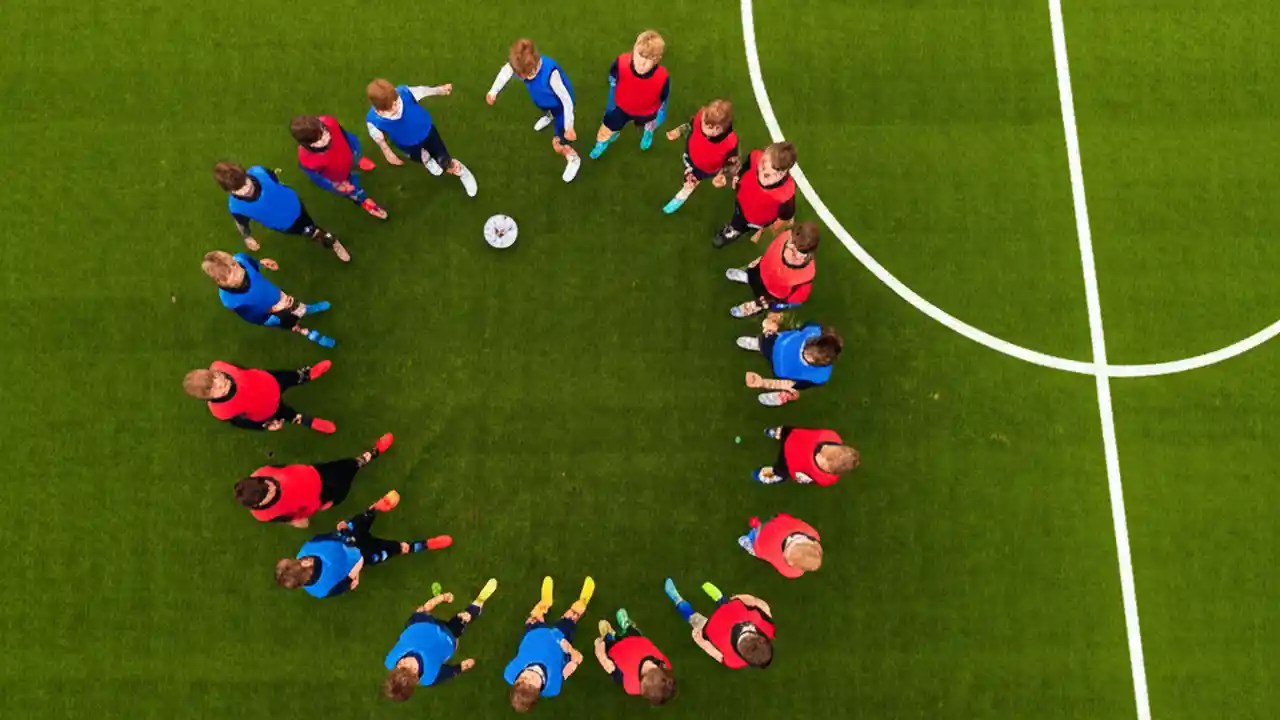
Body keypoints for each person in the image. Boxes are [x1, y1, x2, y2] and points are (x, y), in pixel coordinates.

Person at [274, 492, 452, 599]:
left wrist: (354, 576)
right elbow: (327, 537)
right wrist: (341, 528)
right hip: (352, 541)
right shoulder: (307, 549)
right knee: (362, 522)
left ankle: (417, 545)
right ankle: (375, 510)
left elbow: (349, 584)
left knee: (391, 548)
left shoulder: (320, 590)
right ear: (299, 562)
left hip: (360, 554)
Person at [234, 433, 395, 528]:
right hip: (324, 494)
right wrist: (322, 506)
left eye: (267, 484)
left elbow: (283, 467)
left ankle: (368, 456)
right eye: (269, 492)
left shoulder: (262, 473)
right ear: (258, 503)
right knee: (344, 485)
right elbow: (296, 519)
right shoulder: (266, 515)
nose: (273, 487)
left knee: (347, 464)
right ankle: (362, 461)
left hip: (316, 471)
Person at [382, 578, 500, 701]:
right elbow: (446, 673)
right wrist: (461, 667)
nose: (405, 662)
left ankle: (443, 600)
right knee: (462, 618)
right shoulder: (429, 676)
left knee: (421, 612)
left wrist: (439, 599)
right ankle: (476, 606)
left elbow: (420, 613)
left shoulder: (393, 657)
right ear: (417, 678)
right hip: (446, 638)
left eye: (401, 665)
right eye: (413, 669)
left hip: (426, 628)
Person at [213, 162, 350, 262]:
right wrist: (247, 237)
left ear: (246, 175)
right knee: (309, 231)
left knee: (309, 225)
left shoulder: (259, 172)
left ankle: (328, 240)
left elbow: (273, 177)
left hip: (295, 204)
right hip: (284, 225)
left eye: (245, 183)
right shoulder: (236, 206)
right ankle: (329, 240)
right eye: (239, 190)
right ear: (229, 191)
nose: (246, 190)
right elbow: (242, 223)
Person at [486, 39, 581, 183]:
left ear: (531, 67)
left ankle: (572, 157)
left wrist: (569, 126)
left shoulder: (550, 73)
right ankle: (549, 116)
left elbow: (566, 101)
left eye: (520, 74)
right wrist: (493, 91)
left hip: (560, 106)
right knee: (545, 107)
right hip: (544, 100)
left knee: (558, 141)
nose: (517, 76)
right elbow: (506, 71)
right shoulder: (521, 64)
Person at [365, 78, 478, 197]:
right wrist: (387, 152)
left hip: (428, 132)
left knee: (442, 156)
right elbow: (378, 138)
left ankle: (458, 169)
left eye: (396, 102)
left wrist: (440, 90)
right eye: (390, 107)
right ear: (378, 109)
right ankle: (428, 161)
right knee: (419, 157)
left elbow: (423, 91)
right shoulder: (373, 120)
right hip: (407, 144)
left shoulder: (405, 93)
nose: (396, 108)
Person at [201, 251, 336, 347]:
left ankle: (308, 309)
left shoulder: (241, 259)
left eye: (234, 264)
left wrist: (262, 263)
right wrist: (274, 310)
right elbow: (253, 317)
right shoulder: (230, 301)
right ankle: (309, 333)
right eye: (230, 273)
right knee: (291, 322)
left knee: (294, 304)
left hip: (276, 294)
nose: (237, 270)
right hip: (272, 315)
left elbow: (253, 263)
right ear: (219, 281)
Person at [503, 576, 595, 713]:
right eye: (533, 679)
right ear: (540, 690)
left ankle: (545, 603)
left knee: (533, 618)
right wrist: (572, 655)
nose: (529, 673)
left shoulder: (509, 673)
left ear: (515, 682)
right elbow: (570, 667)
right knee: (571, 618)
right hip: (558, 642)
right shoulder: (553, 687)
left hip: (534, 636)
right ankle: (582, 602)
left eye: (523, 678)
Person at [183, 359, 336, 433]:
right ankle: (305, 420)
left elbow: (241, 369)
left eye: (215, 377)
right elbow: (242, 423)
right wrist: (266, 426)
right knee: (286, 413)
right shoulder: (220, 411)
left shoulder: (220, 365)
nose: (220, 384)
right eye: (213, 389)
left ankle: (305, 375)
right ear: (207, 397)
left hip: (268, 380)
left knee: (288, 377)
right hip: (267, 408)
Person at [589, 30, 670, 159]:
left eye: (648, 59)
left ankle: (648, 132)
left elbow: (664, 98)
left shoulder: (662, 77)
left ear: (656, 60)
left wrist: (661, 115)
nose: (642, 63)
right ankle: (602, 143)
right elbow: (612, 79)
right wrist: (611, 104)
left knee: (650, 125)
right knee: (606, 130)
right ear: (634, 50)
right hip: (620, 107)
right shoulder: (621, 62)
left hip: (647, 112)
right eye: (640, 55)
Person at [291, 115, 387, 219]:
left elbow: (345, 135)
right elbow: (317, 178)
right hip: (340, 177)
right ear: (308, 144)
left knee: (355, 161)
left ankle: (358, 161)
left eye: (325, 132)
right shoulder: (307, 160)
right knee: (353, 190)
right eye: (320, 140)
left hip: (349, 156)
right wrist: (335, 185)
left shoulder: (330, 122)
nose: (327, 138)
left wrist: (356, 151)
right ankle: (363, 201)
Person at [663, 579, 774, 669]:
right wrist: (741, 597)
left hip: (711, 627)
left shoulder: (733, 662)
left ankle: (676, 598)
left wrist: (701, 641)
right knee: (724, 603)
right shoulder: (768, 628)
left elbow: (717, 654)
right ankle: (718, 597)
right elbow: (758, 603)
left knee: (692, 616)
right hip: (729, 611)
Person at [737, 313, 843, 406]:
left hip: (784, 372)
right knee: (766, 342)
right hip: (777, 343)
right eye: (807, 350)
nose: (804, 355)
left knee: (791, 389)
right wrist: (773, 321)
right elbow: (784, 319)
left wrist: (763, 383)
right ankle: (759, 344)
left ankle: (783, 396)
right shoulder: (813, 329)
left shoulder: (819, 376)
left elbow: (791, 383)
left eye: (810, 358)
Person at [724, 220, 819, 318]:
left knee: (762, 301)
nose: (800, 257)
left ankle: (754, 306)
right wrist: (762, 259)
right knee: (753, 276)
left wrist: (780, 302)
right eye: (793, 242)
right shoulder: (786, 236)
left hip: (772, 293)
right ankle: (748, 277)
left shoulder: (807, 273)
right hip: (761, 270)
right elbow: (772, 250)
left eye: (803, 251)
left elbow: (799, 296)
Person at [714, 141, 797, 248]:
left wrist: (768, 229)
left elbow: (786, 216)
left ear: (781, 174)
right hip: (741, 200)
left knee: (745, 225)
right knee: (737, 217)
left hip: (757, 220)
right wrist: (735, 177)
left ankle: (737, 231)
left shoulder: (785, 196)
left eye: (767, 175)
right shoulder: (755, 157)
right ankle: (735, 228)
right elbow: (745, 168)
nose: (760, 173)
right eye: (762, 164)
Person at [662, 99, 739, 214]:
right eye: (707, 126)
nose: (711, 131)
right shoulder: (700, 115)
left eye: (717, 128)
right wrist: (680, 130)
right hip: (690, 153)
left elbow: (732, 162)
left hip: (707, 168)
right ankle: (688, 178)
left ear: (725, 126)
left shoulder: (730, 142)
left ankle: (684, 193)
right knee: (687, 168)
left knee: (691, 181)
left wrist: (724, 175)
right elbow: (691, 124)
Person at [593, 608, 676, 706]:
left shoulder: (631, 685)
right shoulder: (664, 663)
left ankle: (609, 636)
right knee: (633, 632)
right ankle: (625, 626)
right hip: (635, 639)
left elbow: (604, 657)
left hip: (617, 652)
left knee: (607, 647)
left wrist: (601, 655)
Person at [755, 426, 860, 486]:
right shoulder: (830, 436)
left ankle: (777, 474)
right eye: (826, 447)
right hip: (795, 437)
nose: (821, 450)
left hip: (789, 462)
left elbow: (803, 477)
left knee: (781, 469)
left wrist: (799, 476)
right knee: (787, 431)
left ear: (829, 470)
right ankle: (779, 432)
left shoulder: (826, 479)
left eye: (823, 458)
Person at [738, 514, 822, 579]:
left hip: (766, 534)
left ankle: (750, 541)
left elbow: (786, 518)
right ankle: (751, 539)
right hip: (767, 534)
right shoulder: (791, 572)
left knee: (754, 541)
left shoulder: (813, 534)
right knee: (756, 540)